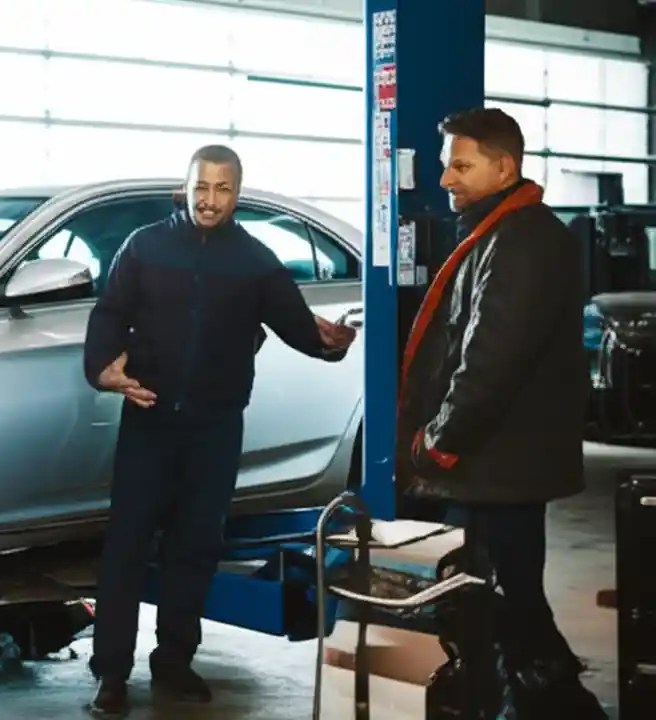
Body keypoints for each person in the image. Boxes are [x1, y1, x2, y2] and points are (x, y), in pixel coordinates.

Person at [81, 144, 356, 717]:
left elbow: (297, 326)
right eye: (201, 187)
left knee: (195, 545)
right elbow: (109, 314)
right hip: (150, 419)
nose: (209, 200)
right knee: (127, 544)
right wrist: (102, 368)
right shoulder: (145, 247)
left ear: (237, 193)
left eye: (222, 189)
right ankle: (111, 671)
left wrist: (332, 344)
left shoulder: (254, 261)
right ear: (185, 188)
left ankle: (174, 660)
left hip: (216, 426)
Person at [396, 107, 607, 718]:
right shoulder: (500, 233)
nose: (446, 179)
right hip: (496, 466)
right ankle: (544, 700)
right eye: (447, 166)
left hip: (496, 467)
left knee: (507, 604)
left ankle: (554, 703)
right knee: (504, 603)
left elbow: (490, 361)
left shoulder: (522, 242)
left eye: (461, 167)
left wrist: (438, 441)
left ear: (504, 168)